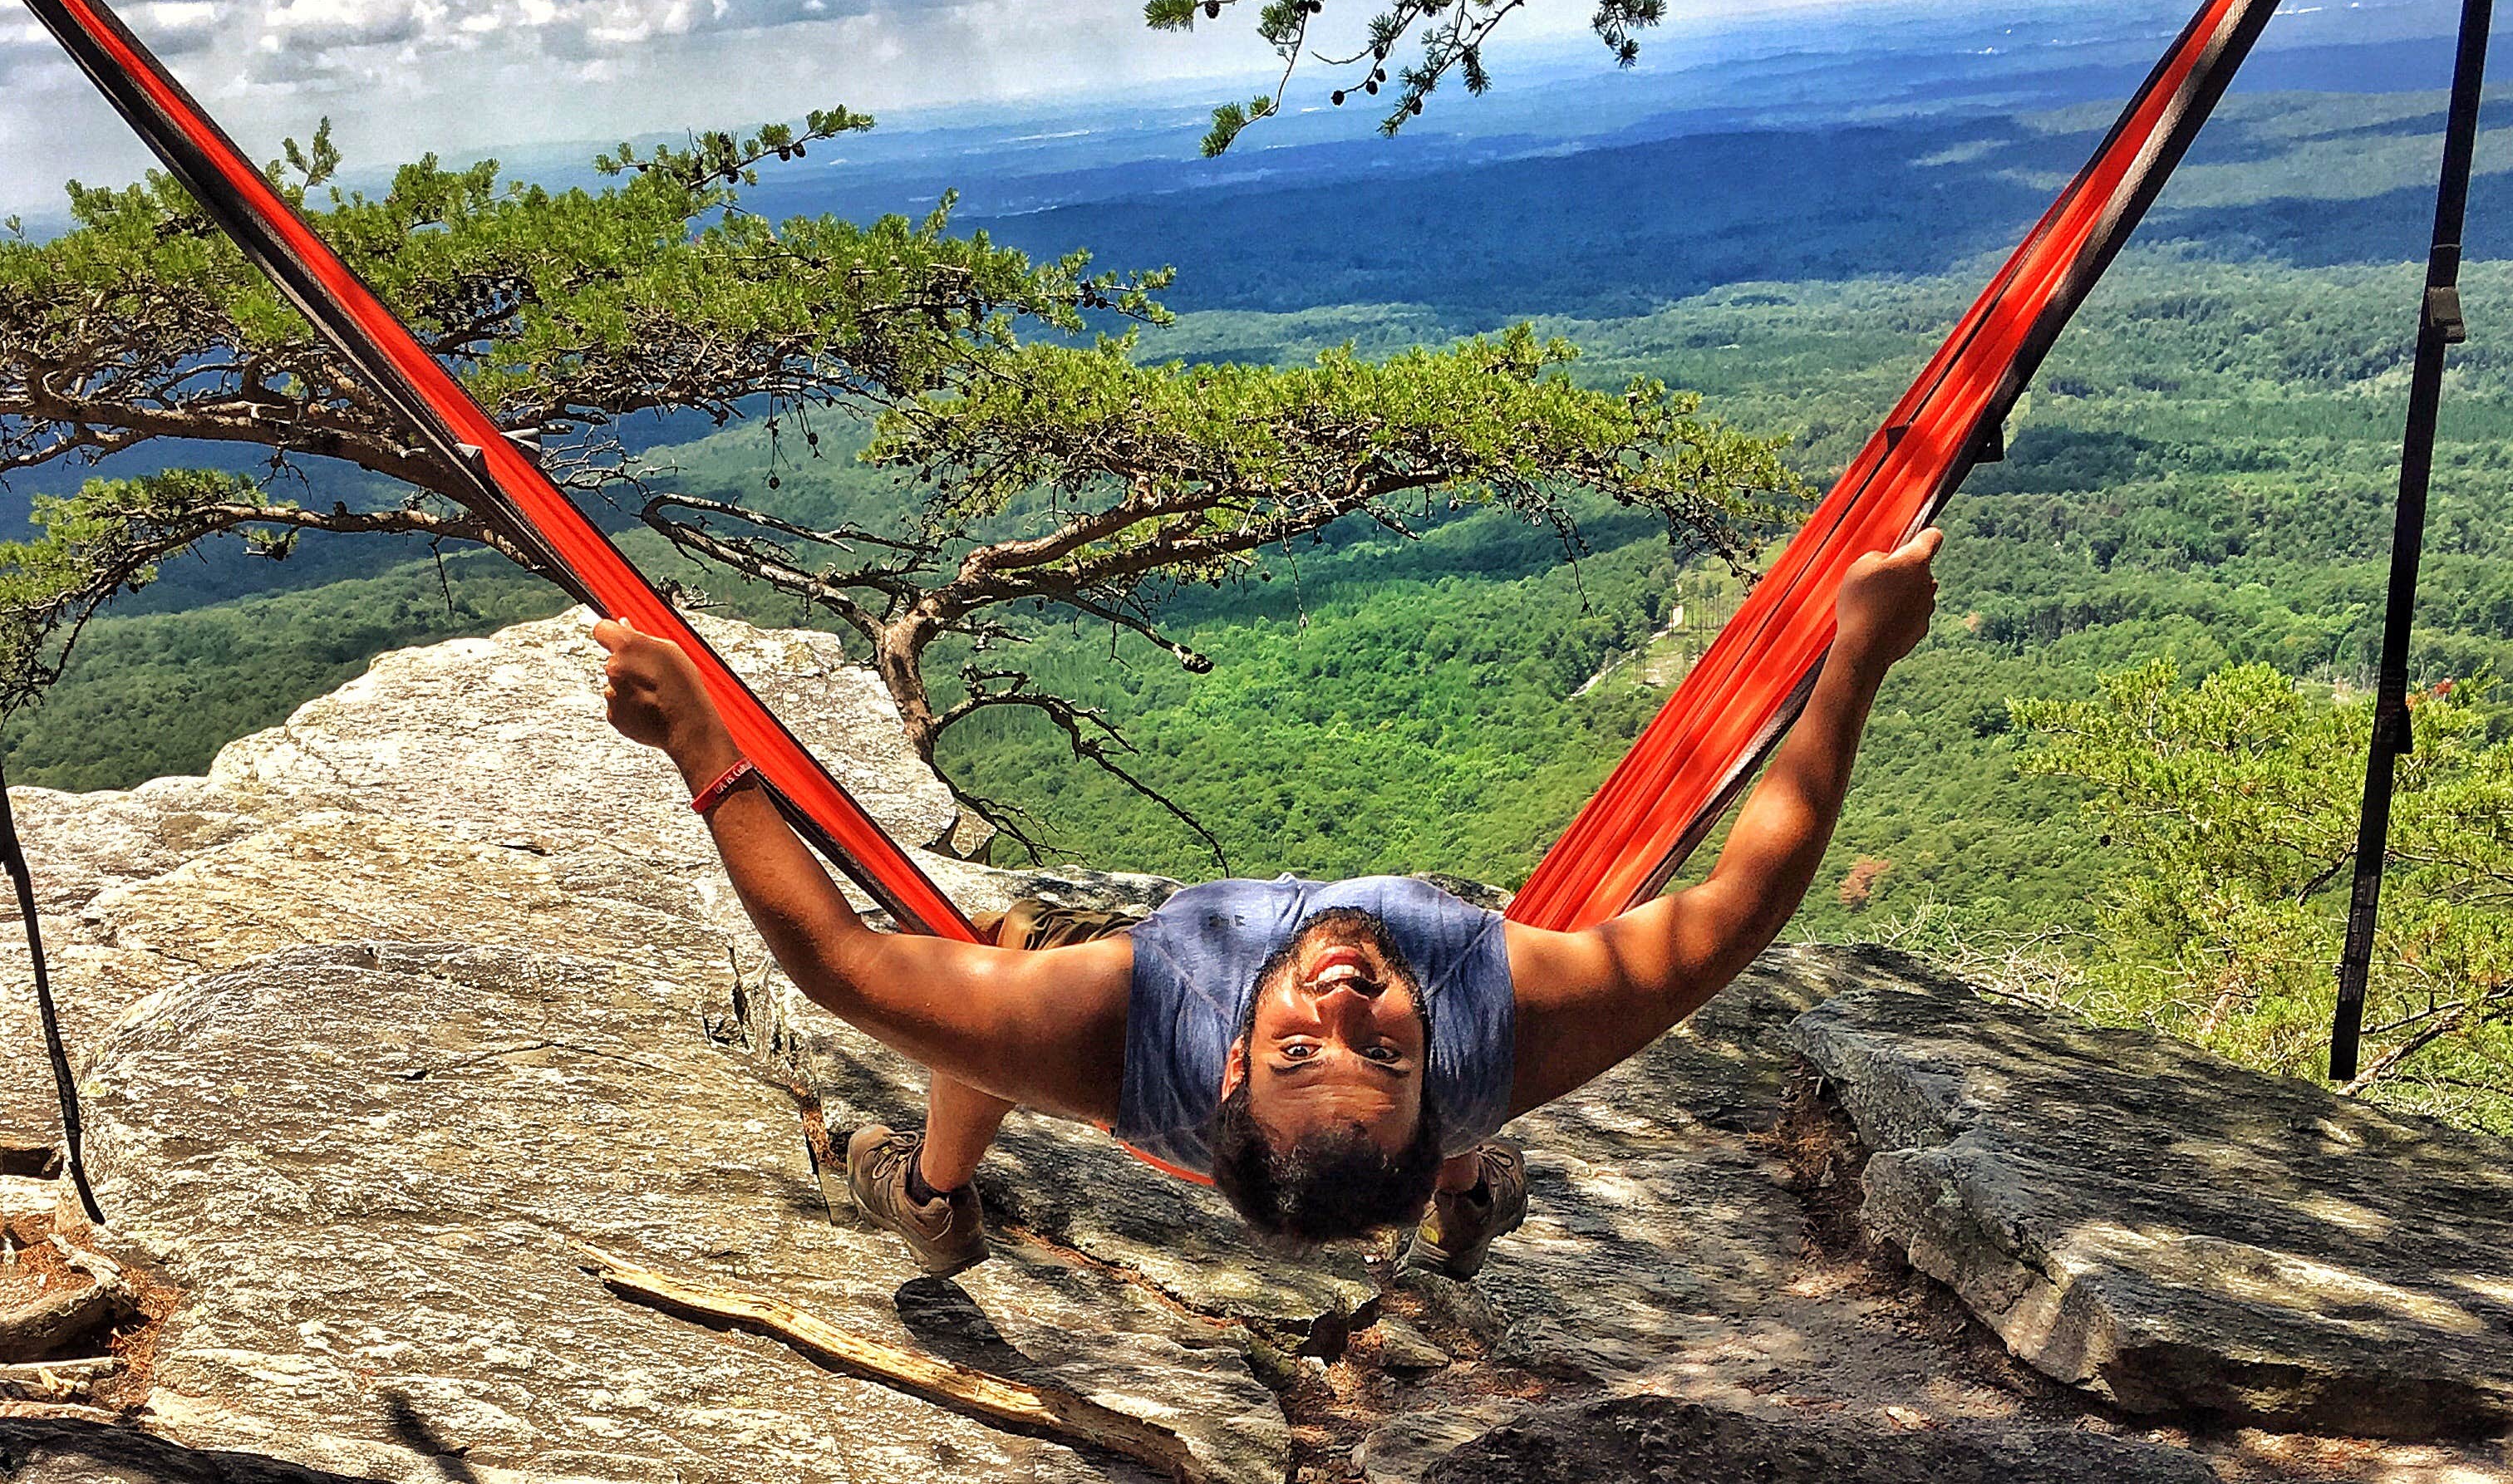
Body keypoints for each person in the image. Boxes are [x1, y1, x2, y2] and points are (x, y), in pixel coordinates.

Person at [594, 528, 1941, 1276]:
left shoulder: (1119, 1031)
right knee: (1464, 1104)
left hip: (1272, 1085)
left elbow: (838, 961)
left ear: (1233, 1062)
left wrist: (706, 750)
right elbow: (1745, 896)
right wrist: (1859, 656)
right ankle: (1464, 1200)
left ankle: (934, 1199)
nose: (1346, 1006)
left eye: (1307, 1049)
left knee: (987, 961)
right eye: (1377, 1047)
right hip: (1459, 1101)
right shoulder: (1507, 1033)